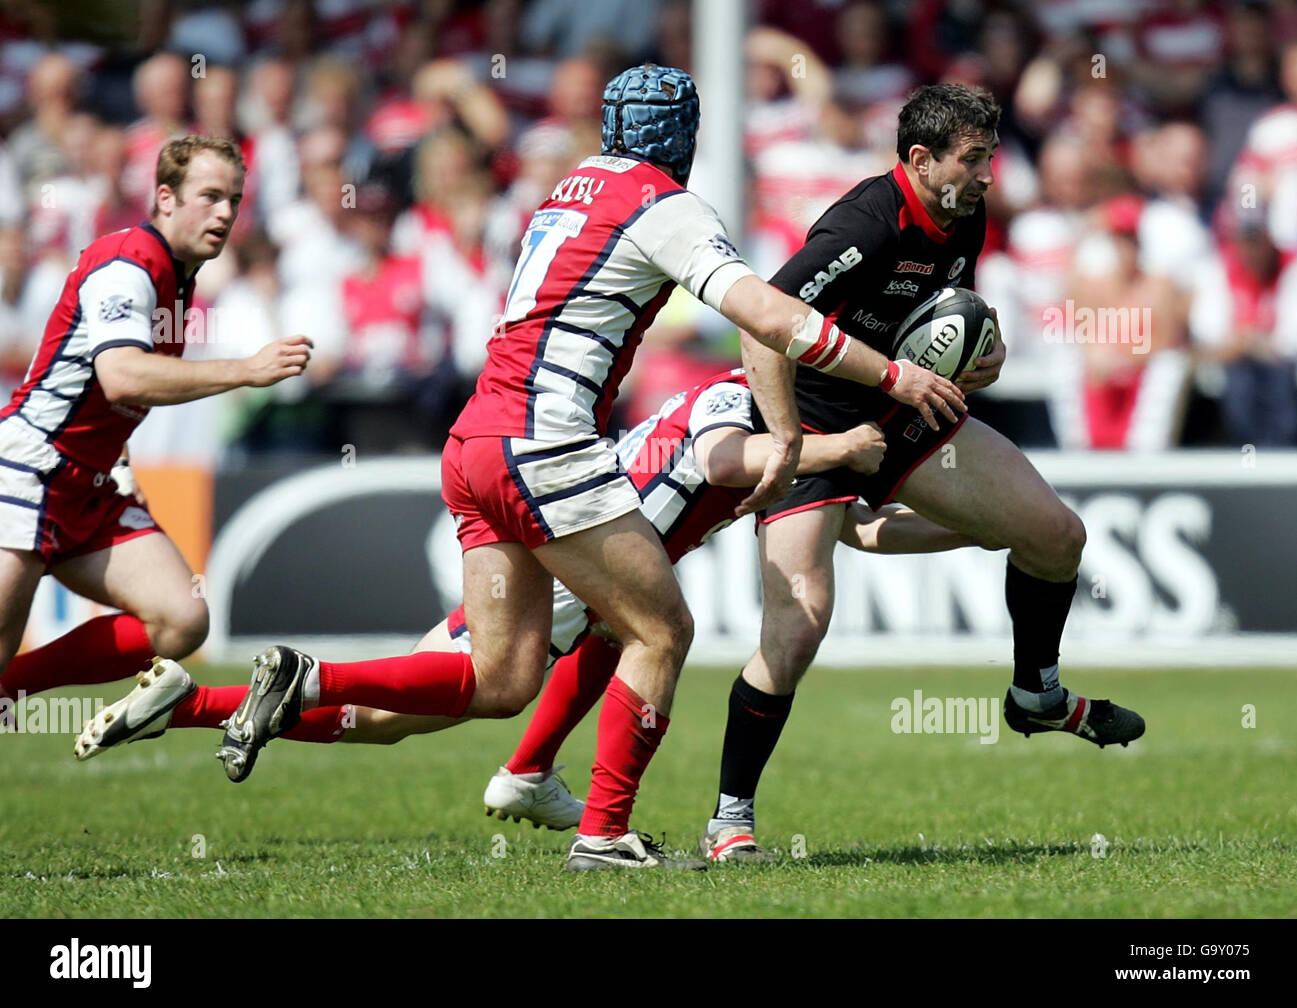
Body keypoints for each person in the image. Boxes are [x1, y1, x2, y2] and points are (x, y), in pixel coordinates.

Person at [212, 65, 966, 872]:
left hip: (476, 439)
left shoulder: (572, 186)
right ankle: (604, 836)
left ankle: (309, 679)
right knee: (660, 627)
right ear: (686, 136)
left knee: (501, 678)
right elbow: (768, 314)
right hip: (545, 442)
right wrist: (893, 377)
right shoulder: (665, 206)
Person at [80, 369, 973, 837]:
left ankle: (527, 773)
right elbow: (724, 463)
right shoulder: (752, 414)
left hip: (586, 541)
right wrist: (848, 444)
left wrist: (972, 529)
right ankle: (284, 685)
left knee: (617, 639)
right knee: (407, 710)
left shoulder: (763, 420)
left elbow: (857, 530)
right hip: (586, 548)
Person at [696, 83, 1146, 863]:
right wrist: (791, 445)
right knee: (797, 627)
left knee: (1055, 537)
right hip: (812, 419)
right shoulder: (866, 224)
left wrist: (983, 352)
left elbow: (950, 316)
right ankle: (730, 820)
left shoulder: (966, 215)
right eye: (973, 161)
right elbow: (762, 326)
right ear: (919, 159)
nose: (988, 176)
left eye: (990, 159)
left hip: (907, 407)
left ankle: (1036, 693)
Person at [0, 136, 312, 722]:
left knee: (182, 619)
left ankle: (10, 688)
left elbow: (94, 390)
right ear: (165, 198)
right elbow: (120, 377)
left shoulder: (179, 275)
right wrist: (244, 371)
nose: (225, 213)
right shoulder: (128, 264)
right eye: (211, 196)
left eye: (235, 200)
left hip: (88, 483)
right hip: (27, 469)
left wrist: (117, 463)